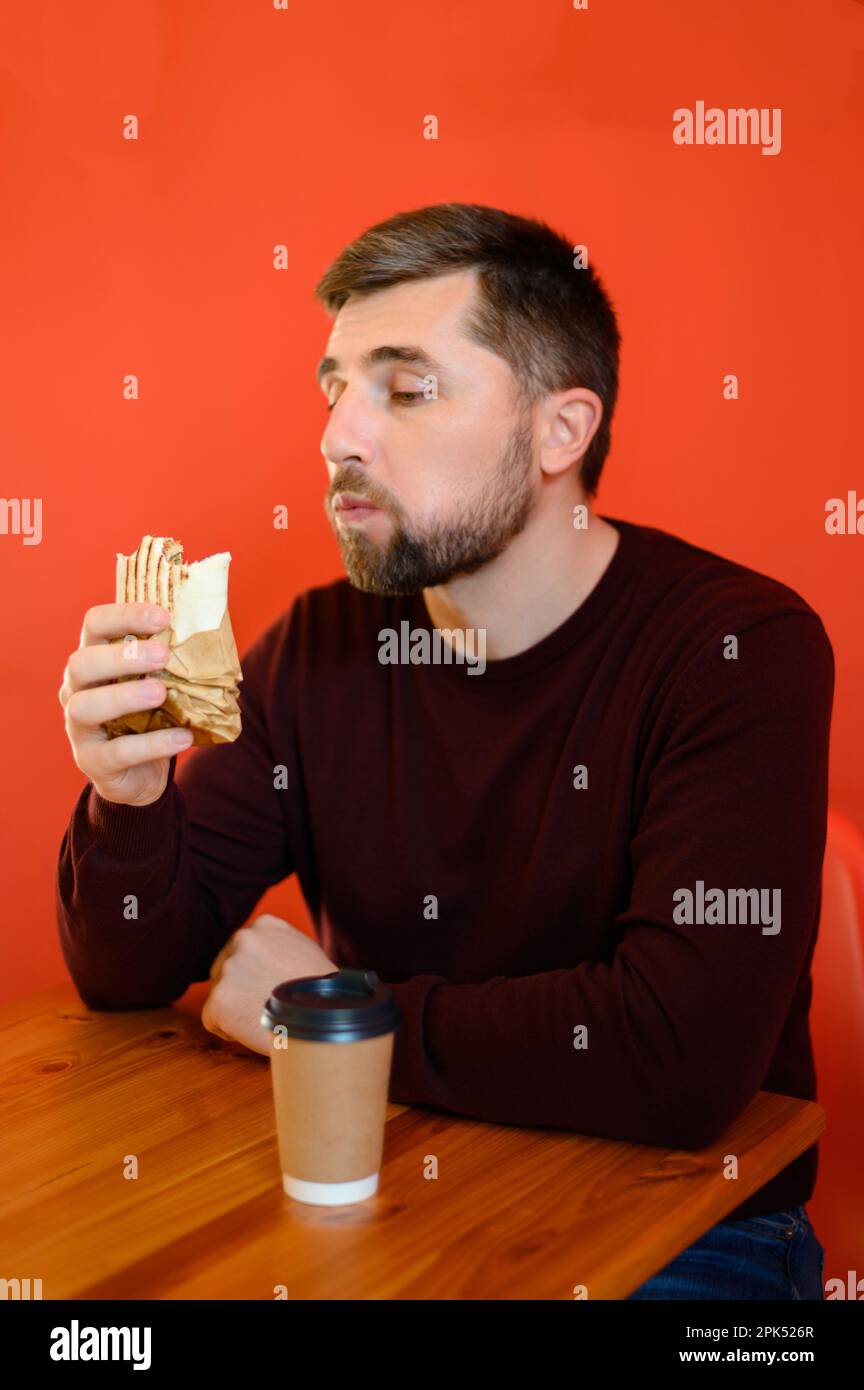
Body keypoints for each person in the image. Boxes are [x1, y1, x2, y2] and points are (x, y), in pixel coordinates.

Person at [57, 203, 832, 1299]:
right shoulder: (321, 647)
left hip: (689, 1228)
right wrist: (129, 797)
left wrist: (334, 1016)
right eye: (334, 388)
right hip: (392, 1187)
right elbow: (131, 972)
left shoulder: (737, 647)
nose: (338, 437)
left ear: (561, 432)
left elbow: (679, 1058)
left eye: (405, 388)